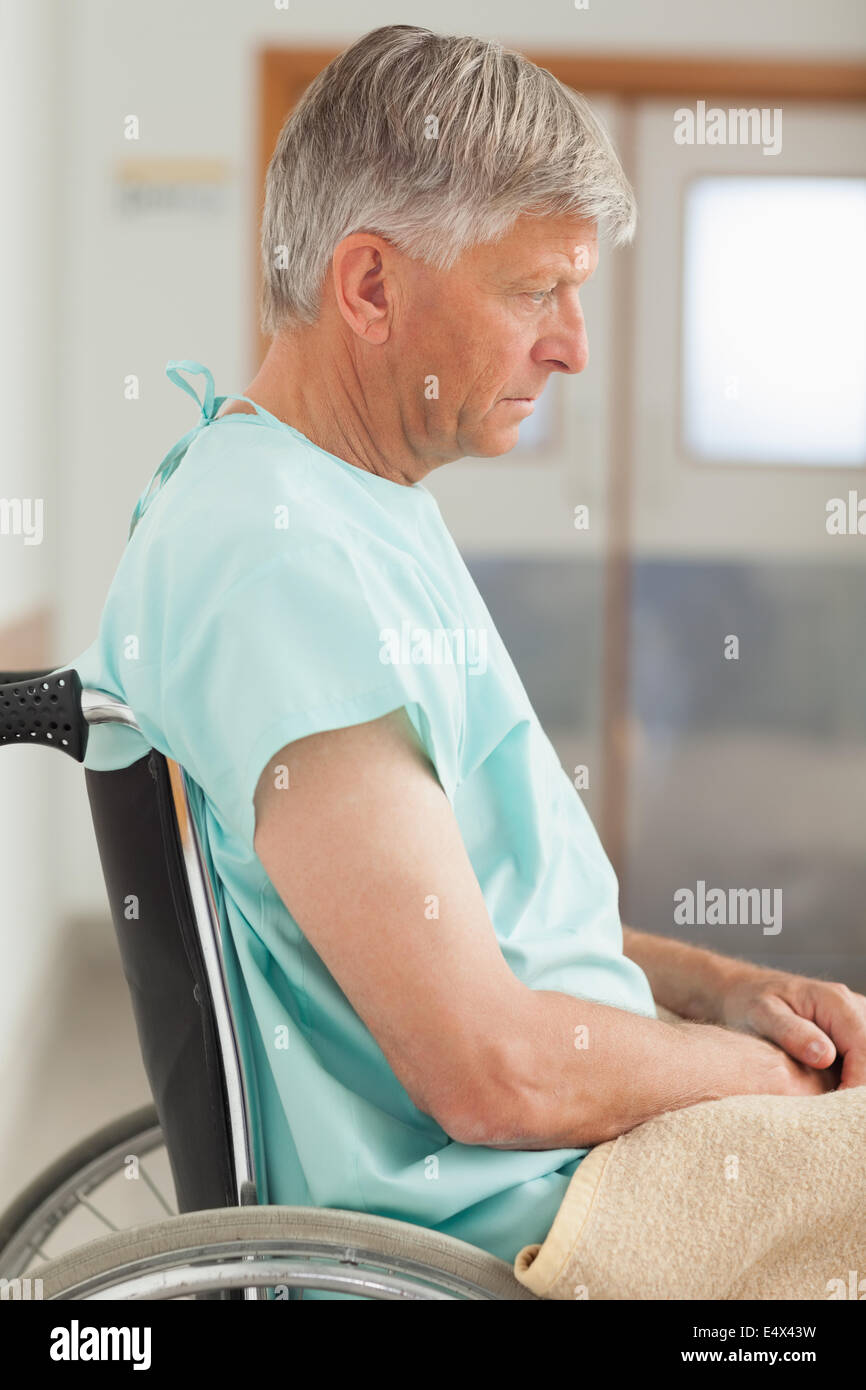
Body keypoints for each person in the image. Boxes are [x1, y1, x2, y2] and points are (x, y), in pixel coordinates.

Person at [73, 25, 865, 1297]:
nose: (573, 346)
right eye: (531, 291)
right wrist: (772, 1083)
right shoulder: (277, 561)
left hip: (572, 1156)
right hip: (531, 1219)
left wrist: (715, 988)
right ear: (371, 289)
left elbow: (477, 926)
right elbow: (488, 1069)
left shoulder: (343, 504)